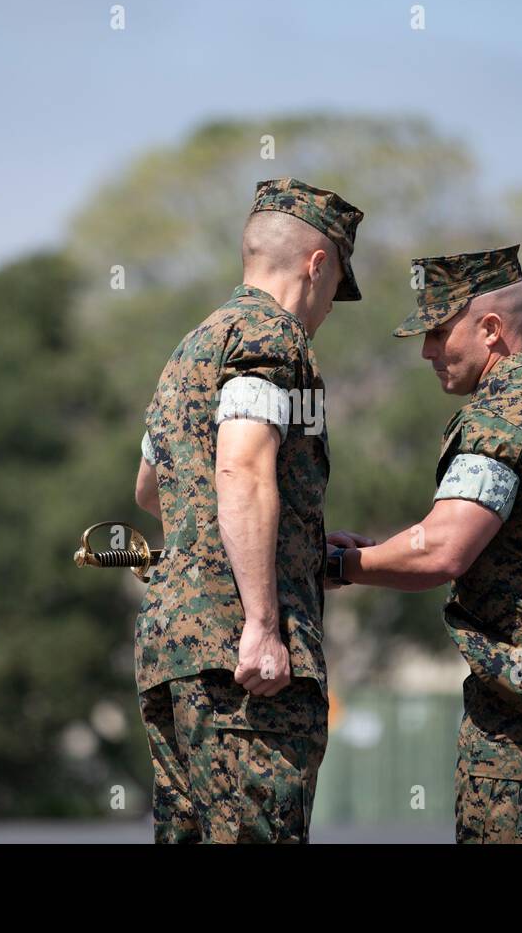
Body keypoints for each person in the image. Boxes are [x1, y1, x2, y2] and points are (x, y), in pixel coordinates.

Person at [332, 245, 522, 843]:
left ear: (492, 329)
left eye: (438, 333)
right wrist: (378, 551)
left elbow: (443, 549)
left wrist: (343, 564)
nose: (427, 351)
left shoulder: (504, 419)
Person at [131, 177, 366, 843]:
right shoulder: (271, 337)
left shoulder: (193, 346)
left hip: (174, 653)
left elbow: (153, 489)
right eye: (335, 286)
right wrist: (263, 622)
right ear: (317, 264)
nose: (326, 309)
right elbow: (240, 464)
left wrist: (292, 538)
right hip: (241, 661)